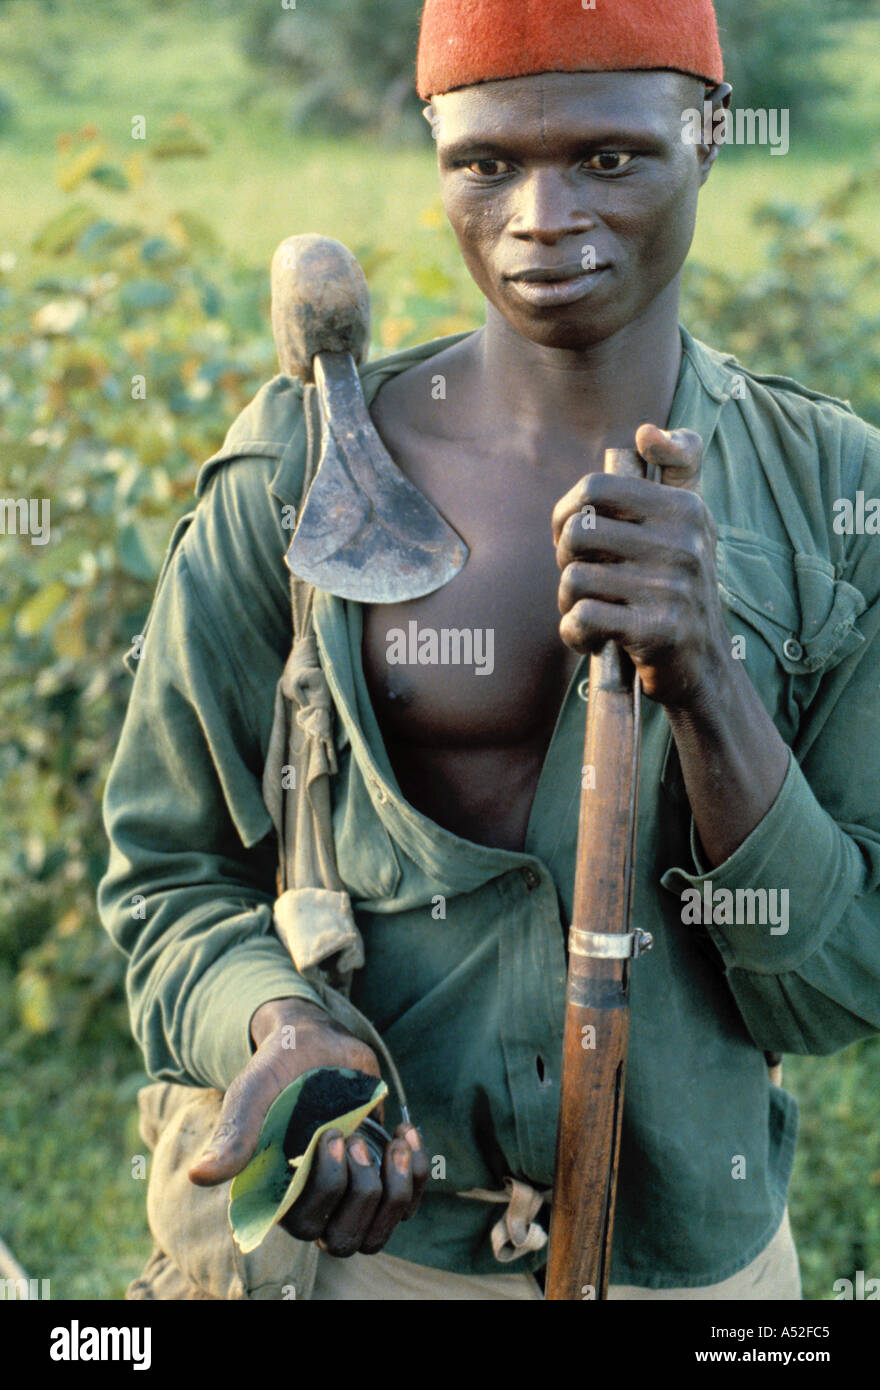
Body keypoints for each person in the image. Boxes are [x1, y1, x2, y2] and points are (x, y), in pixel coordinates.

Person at [99, 0, 880, 1300]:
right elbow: (166, 876)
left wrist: (707, 677)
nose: (541, 218)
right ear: (436, 149)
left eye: (609, 157)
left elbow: (842, 984)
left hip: (686, 1269)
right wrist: (280, 1026)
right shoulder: (300, 474)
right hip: (359, 1264)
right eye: (488, 163)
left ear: (714, 134)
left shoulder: (834, 499)